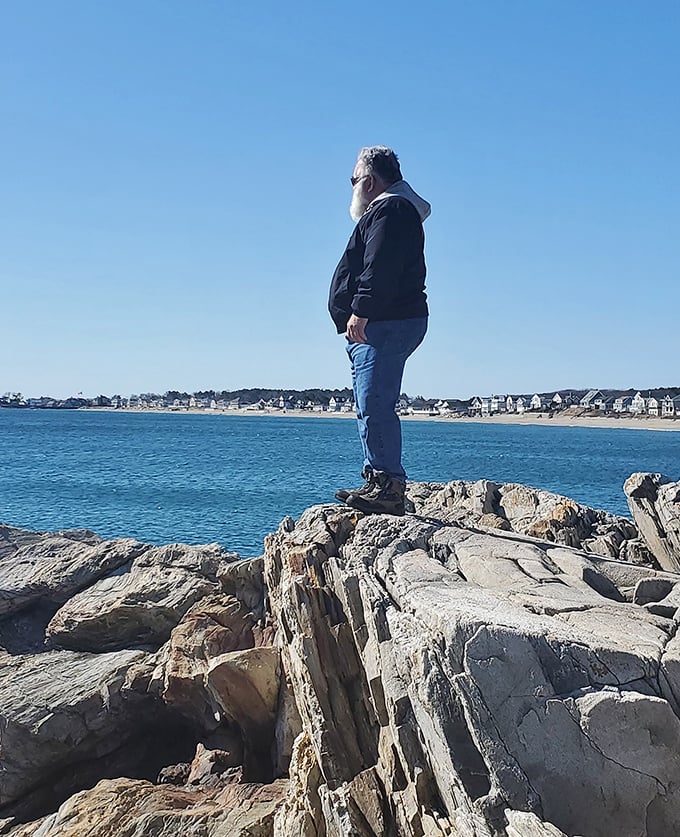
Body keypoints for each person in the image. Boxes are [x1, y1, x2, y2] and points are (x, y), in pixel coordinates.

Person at [328, 146, 430, 515]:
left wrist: (361, 311)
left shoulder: (391, 209)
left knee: (374, 403)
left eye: (353, 179)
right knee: (368, 404)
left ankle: (388, 487)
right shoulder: (390, 210)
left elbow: (380, 265)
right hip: (383, 322)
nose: (352, 186)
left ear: (369, 181)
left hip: (385, 321)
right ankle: (377, 479)